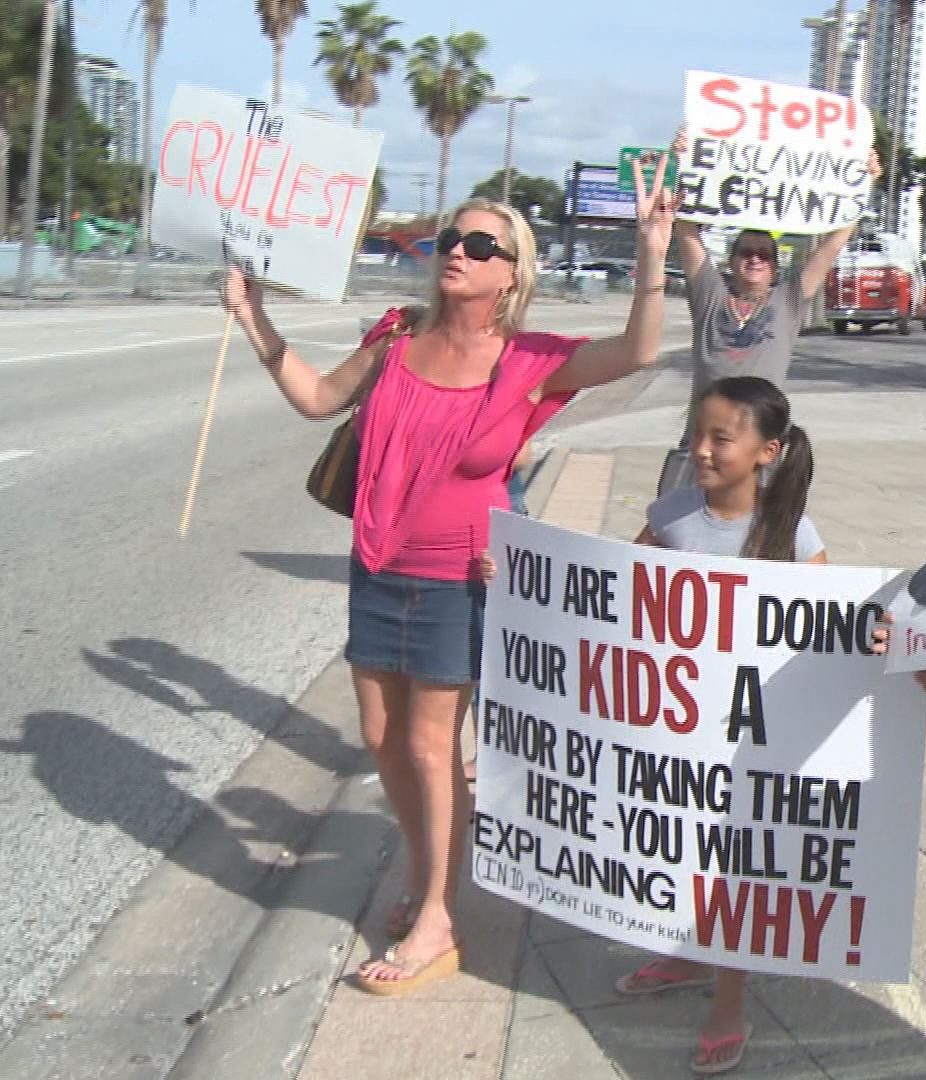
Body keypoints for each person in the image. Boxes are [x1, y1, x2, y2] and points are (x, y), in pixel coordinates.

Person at [221, 163, 681, 997]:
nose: (457, 253)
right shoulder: (399, 338)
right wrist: (256, 320)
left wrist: (651, 255)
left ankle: (437, 910)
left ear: (511, 274)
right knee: (378, 734)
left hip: (459, 579)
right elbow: (320, 398)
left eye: (480, 245)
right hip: (378, 563)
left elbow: (638, 349)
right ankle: (427, 863)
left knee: (433, 745)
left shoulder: (529, 363)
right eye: (449, 239)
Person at [610, 375, 926, 1074]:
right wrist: (513, 575)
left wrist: (901, 647)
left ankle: (729, 1002)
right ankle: (690, 953)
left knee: (738, 865)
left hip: (755, 737)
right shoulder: (672, 513)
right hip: (682, 729)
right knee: (688, 847)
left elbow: (829, 628)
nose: (700, 450)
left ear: (767, 451)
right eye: (696, 433)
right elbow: (613, 589)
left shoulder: (790, 532)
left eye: (720, 438)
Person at [658, 131, 883, 494]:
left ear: (776, 267)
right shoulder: (710, 295)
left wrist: (863, 184)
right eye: (746, 251)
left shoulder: (788, 300)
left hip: (760, 450)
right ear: (730, 262)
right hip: (702, 445)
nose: (754, 259)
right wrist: (679, 163)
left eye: (764, 254)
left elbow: (832, 245)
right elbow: (685, 230)